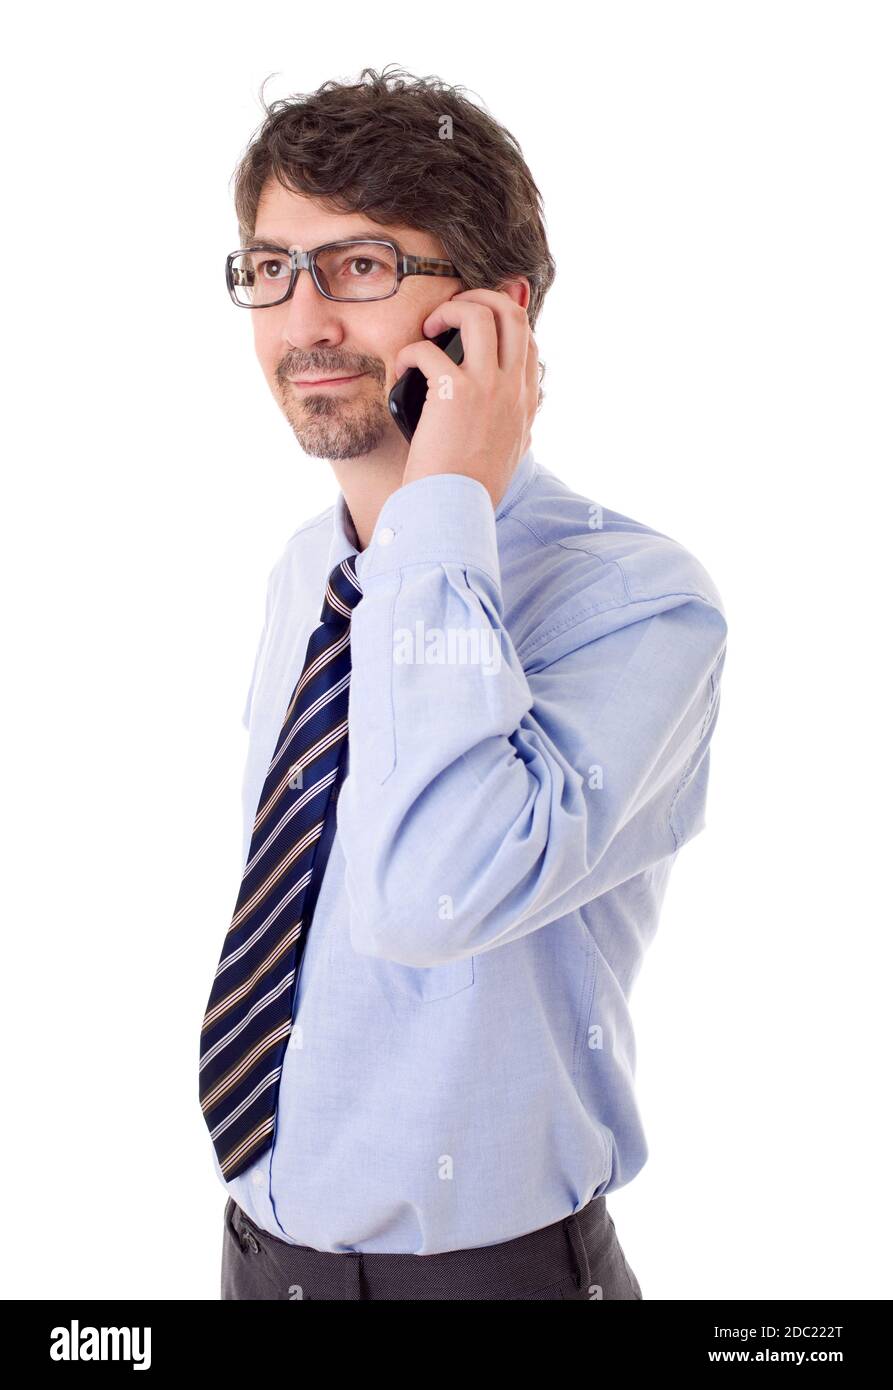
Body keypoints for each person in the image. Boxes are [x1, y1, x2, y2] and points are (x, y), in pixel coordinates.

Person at [199, 65, 728, 1301]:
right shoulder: (307, 570)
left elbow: (430, 896)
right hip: (256, 1259)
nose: (302, 319)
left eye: (362, 266)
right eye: (271, 267)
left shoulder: (637, 603)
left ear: (494, 315)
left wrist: (440, 508)